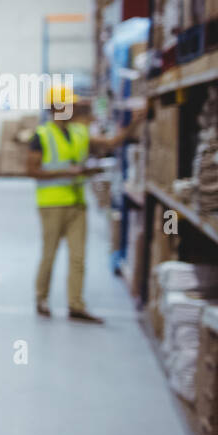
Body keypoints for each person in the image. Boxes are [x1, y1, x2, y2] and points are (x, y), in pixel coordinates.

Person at [28, 84, 143, 323]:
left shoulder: (80, 133)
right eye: (69, 104)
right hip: (51, 204)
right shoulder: (40, 136)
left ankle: (76, 305)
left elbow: (110, 143)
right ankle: (41, 298)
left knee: (78, 257)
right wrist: (66, 172)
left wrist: (135, 122)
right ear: (56, 108)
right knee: (49, 254)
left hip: (77, 203)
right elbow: (32, 170)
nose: (73, 108)